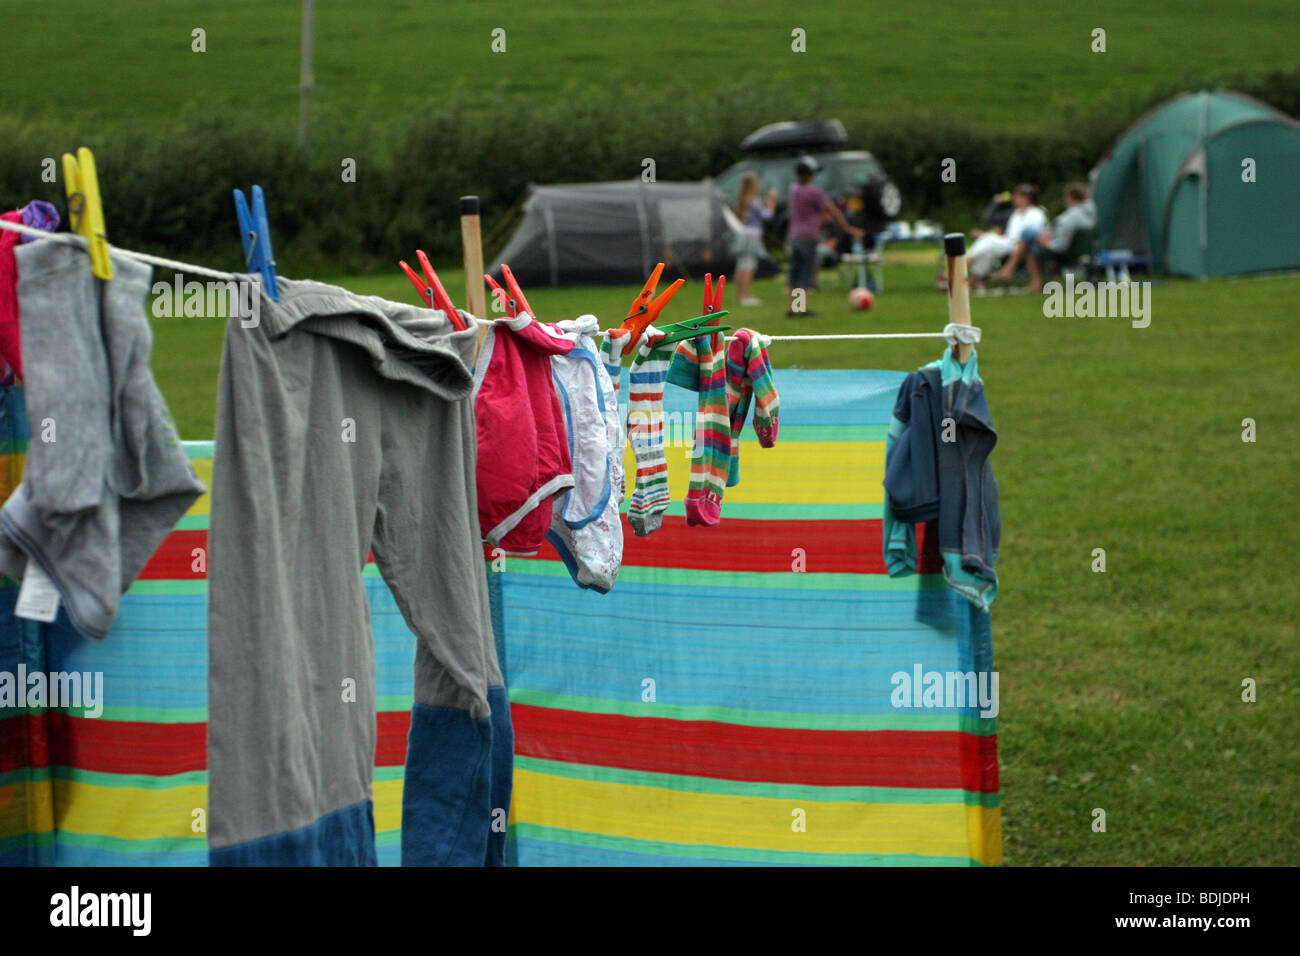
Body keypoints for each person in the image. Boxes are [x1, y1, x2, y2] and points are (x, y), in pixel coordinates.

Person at [786, 156, 864, 318]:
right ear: (810, 174)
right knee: (805, 274)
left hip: (794, 236)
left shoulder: (793, 189)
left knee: (795, 272)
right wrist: (848, 228)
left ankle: (792, 308)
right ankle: (800, 309)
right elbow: (832, 210)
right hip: (808, 236)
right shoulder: (814, 191)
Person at [966, 183, 1046, 289]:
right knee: (988, 250)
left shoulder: (1036, 213)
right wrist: (996, 202)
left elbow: (1030, 235)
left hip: (1021, 245)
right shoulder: (1016, 213)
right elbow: (988, 219)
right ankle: (971, 283)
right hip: (1008, 242)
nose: (1015, 199)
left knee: (987, 240)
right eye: (1016, 196)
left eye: (1019, 196)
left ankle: (962, 265)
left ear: (1028, 198)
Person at [1022, 183, 1097, 291]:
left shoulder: (1070, 218)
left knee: (1030, 244)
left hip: (1066, 253)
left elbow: (1059, 246)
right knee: (1030, 234)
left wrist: (1044, 242)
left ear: (1070, 197)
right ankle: (1010, 270)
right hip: (1084, 250)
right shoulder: (1091, 214)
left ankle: (1035, 282)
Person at [732, 173, 776, 306]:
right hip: (752, 237)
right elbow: (767, 216)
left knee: (741, 266)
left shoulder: (742, 199)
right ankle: (745, 297)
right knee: (749, 266)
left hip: (743, 234)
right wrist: (771, 201)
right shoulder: (754, 200)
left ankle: (739, 296)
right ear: (753, 186)